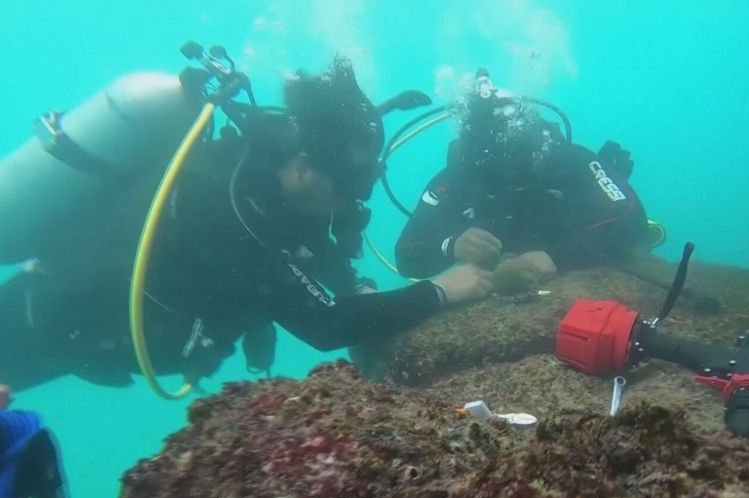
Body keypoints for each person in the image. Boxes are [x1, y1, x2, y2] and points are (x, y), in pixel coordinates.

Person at [0, 56, 494, 391]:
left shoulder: (273, 178)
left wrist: (357, 283)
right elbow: (326, 324)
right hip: (40, 323)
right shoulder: (230, 210)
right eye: (345, 185)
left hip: (83, 336)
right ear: (302, 164)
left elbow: (319, 256)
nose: (350, 202)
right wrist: (442, 291)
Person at [394, 71, 651, 286]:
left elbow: (632, 219)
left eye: (515, 155)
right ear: (472, 148)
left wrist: (556, 257)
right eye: (490, 159)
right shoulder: (455, 179)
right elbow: (406, 254)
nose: (506, 174)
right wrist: (451, 246)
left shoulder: (568, 159)